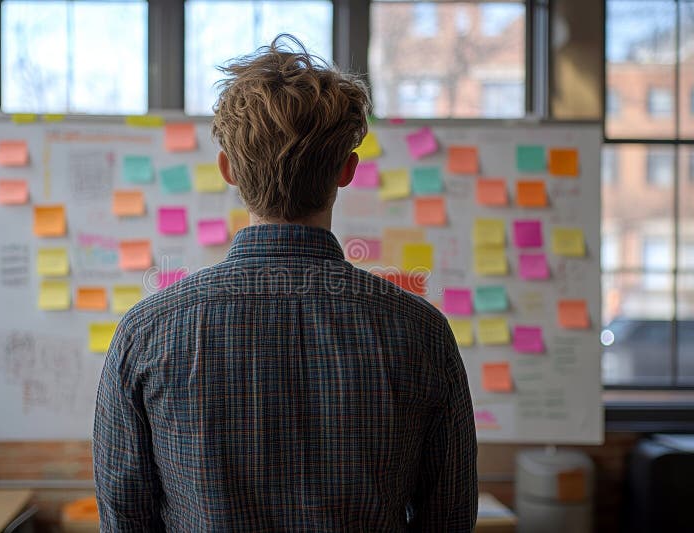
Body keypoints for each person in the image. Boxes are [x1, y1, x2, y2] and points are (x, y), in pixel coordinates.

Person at [93, 34, 477, 532]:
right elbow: (449, 520)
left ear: (228, 170)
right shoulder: (422, 332)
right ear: (347, 170)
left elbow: (125, 522)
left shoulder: (147, 333)